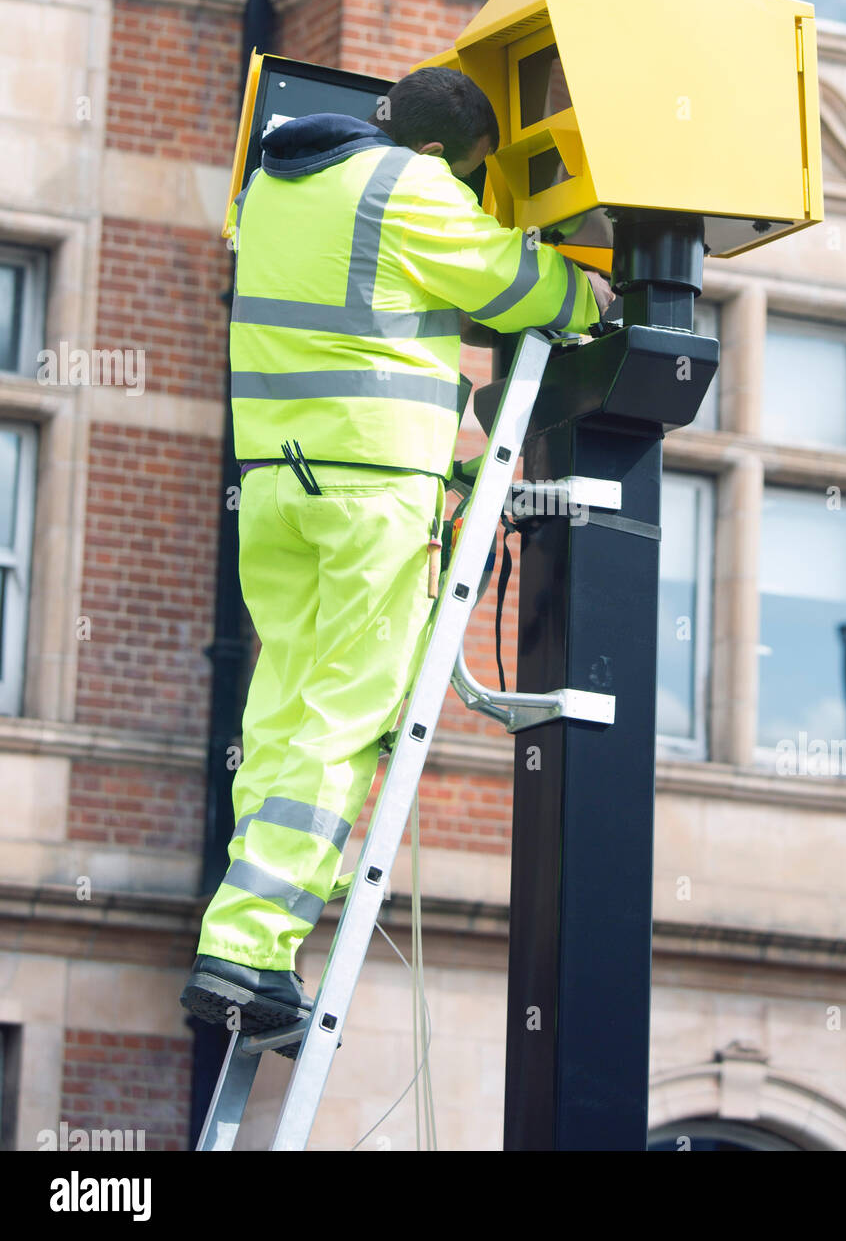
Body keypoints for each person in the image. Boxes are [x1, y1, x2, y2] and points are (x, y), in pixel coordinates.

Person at [180, 66, 615, 1032]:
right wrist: (589, 301)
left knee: (288, 702)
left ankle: (238, 931)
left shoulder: (275, 188)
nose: (458, 196)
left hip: (274, 484)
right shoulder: (407, 186)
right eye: (464, 179)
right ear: (433, 156)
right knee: (345, 714)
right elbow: (512, 285)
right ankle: (250, 952)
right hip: (368, 490)